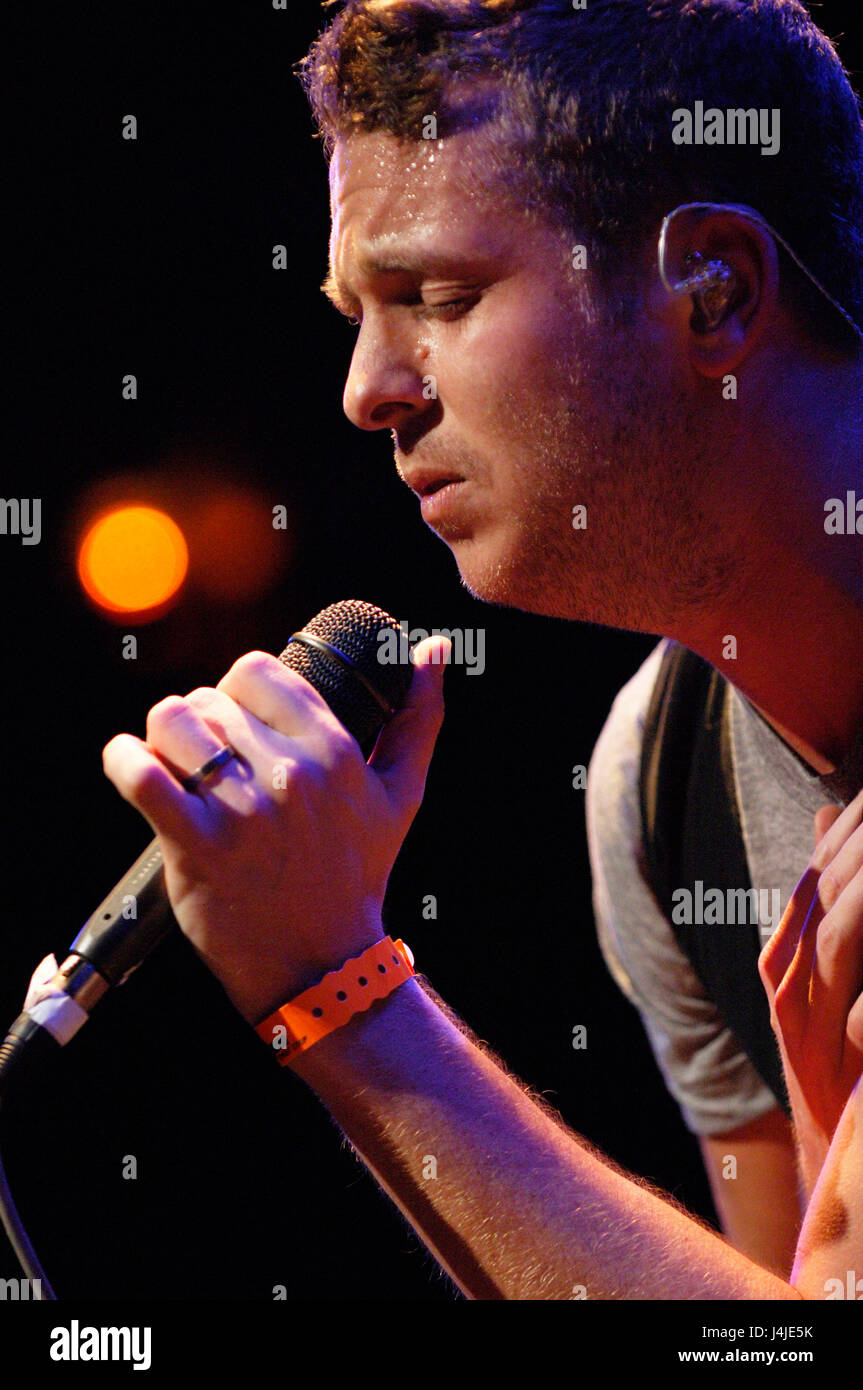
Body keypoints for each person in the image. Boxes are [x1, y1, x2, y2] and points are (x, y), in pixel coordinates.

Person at [102, 0, 863, 1298]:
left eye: (440, 294)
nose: (367, 388)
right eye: (359, 309)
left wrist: (338, 985)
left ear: (718, 289)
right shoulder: (662, 796)